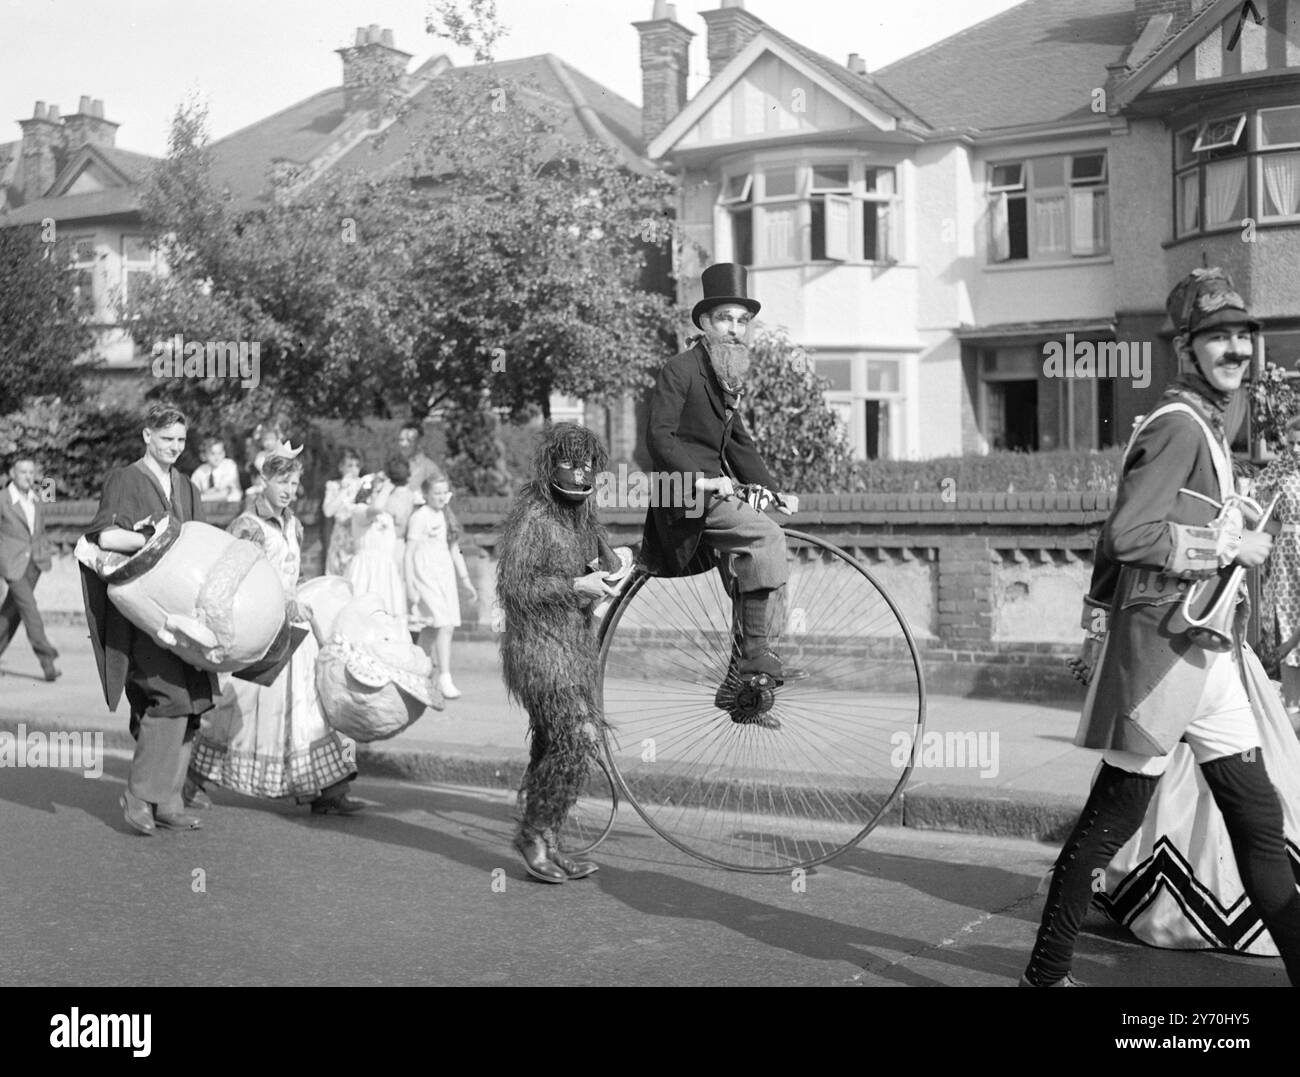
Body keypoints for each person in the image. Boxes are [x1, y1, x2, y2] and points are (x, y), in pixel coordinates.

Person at [1021, 268, 1300, 987]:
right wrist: (1228, 545)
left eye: (1243, 333)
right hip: (1163, 666)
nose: (1235, 347)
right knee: (1104, 828)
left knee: (1259, 825)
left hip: (1207, 658)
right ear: (1187, 348)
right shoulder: (1179, 426)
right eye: (1217, 336)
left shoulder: (1211, 419)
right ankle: (1045, 976)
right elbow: (1127, 533)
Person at [640, 261, 799, 716]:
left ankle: (740, 679)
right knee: (766, 538)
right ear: (706, 323)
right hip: (684, 495)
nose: (735, 329)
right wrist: (701, 478)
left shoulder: (725, 377)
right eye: (726, 319)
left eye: (742, 321)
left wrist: (772, 490)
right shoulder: (680, 370)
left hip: (718, 494)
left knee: (763, 561)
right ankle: (753, 659)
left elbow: (740, 444)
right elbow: (660, 437)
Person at [187, 447, 362, 814]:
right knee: (244, 709)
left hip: (294, 629)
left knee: (307, 708)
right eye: (282, 481)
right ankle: (193, 779)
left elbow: (292, 575)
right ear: (264, 482)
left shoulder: (293, 524)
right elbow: (239, 579)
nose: (289, 490)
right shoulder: (247, 526)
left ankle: (325, 790)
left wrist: (300, 598)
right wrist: (282, 601)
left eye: (295, 483)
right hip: (261, 629)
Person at [82, 404, 216, 836]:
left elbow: (198, 544)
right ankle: (139, 795)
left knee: (194, 701)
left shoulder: (188, 486)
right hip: (140, 614)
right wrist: (149, 538)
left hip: (182, 615)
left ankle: (169, 800)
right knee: (168, 698)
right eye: (166, 439)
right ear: (146, 436)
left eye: (180, 440)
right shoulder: (125, 479)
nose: (174, 448)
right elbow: (105, 536)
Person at [497, 422, 621, 883]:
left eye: (587, 464)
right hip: (538, 653)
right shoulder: (533, 516)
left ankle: (549, 838)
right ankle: (533, 833)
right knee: (580, 737)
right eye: (570, 463)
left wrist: (613, 567)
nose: (580, 472)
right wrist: (575, 586)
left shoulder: (582, 513)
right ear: (552, 464)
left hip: (575, 649)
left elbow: (601, 560)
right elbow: (515, 588)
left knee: (555, 745)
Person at [406, 475, 477, 698]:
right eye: (436, 492)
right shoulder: (420, 517)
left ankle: (415, 674)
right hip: (425, 576)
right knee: (443, 624)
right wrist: (410, 586)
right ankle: (445, 676)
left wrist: (465, 581)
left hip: (443, 576)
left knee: (430, 628)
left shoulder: (446, 515)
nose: (440, 497)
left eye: (443, 492)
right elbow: (409, 553)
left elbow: (455, 550)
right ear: (426, 494)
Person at [1254, 415, 1300, 714]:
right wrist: (1277, 529)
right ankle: (1293, 704)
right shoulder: (1279, 470)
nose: (1296, 449)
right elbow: (1256, 507)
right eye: (1292, 443)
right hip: (1286, 558)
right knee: (1287, 620)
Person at [0, 458, 59, 681]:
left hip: (34, 564)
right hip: (12, 565)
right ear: (11, 474)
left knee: (11, 613)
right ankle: (47, 659)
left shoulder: (38, 497)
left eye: (31, 472)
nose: (27, 476)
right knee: (29, 608)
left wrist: (44, 549)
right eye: (22, 471)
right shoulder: (3, 499)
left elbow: (46, 518)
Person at [344, 457, 412, 624]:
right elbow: (376, 508)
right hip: (366, 569)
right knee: (362, 615)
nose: (382, 495)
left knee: (388, 615)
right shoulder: (360, 511)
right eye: (377, 492)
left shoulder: (387, 516)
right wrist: (386, 487)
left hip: (385, 569)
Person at [322, 447, 365, 577]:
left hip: (356, 536)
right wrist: (344, 489)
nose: (354, 469)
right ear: (341, 467)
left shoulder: (363, 485)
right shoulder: (333, 485)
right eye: (349, 465)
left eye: (357, 466)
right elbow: (328, 512)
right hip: (339, 537)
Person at [396, 423, 445, 503]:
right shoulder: (394, 466)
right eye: (401, 440)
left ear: (419, 443)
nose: (403, 444)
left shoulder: (430, 469)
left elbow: (441, 500)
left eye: (409, 440)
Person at [190, 437, 243, 504]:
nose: (217, 457)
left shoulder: (229, 465)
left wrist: (202, 497)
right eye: (213, 454)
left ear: (224, 453)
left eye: (220, 453)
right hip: (207, 508)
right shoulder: (199, 472)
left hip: (231, 507)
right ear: (203, 456)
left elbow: (224, 493)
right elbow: (192, 495)